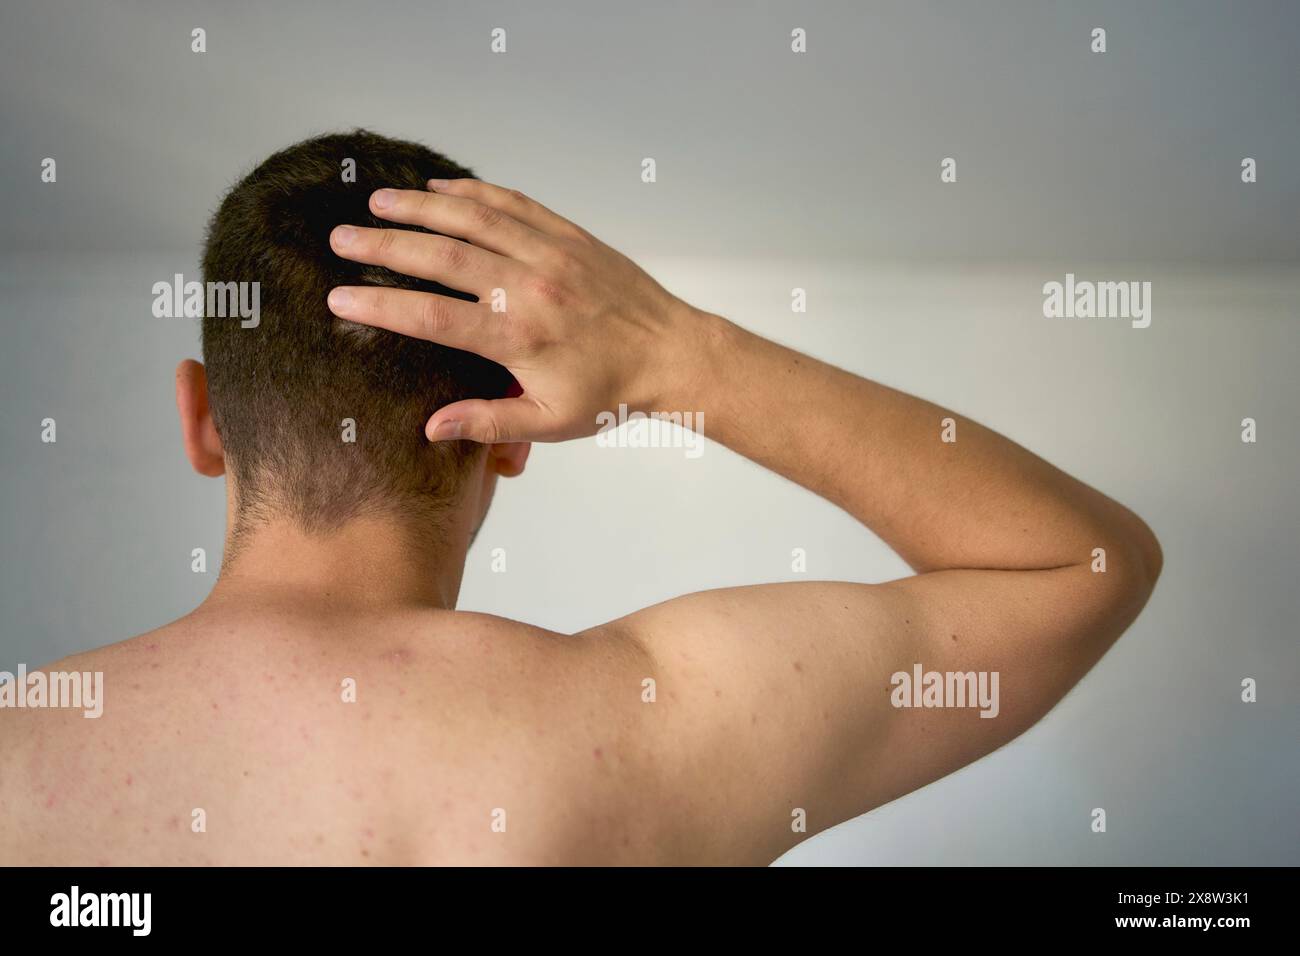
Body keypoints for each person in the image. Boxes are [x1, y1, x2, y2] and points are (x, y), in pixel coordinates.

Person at [0, 131, 1161, 865]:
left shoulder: (21, 758)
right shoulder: (657, 719)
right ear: (513, 435)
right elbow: (1078, 567)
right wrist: (674, 351)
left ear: (202, 418)